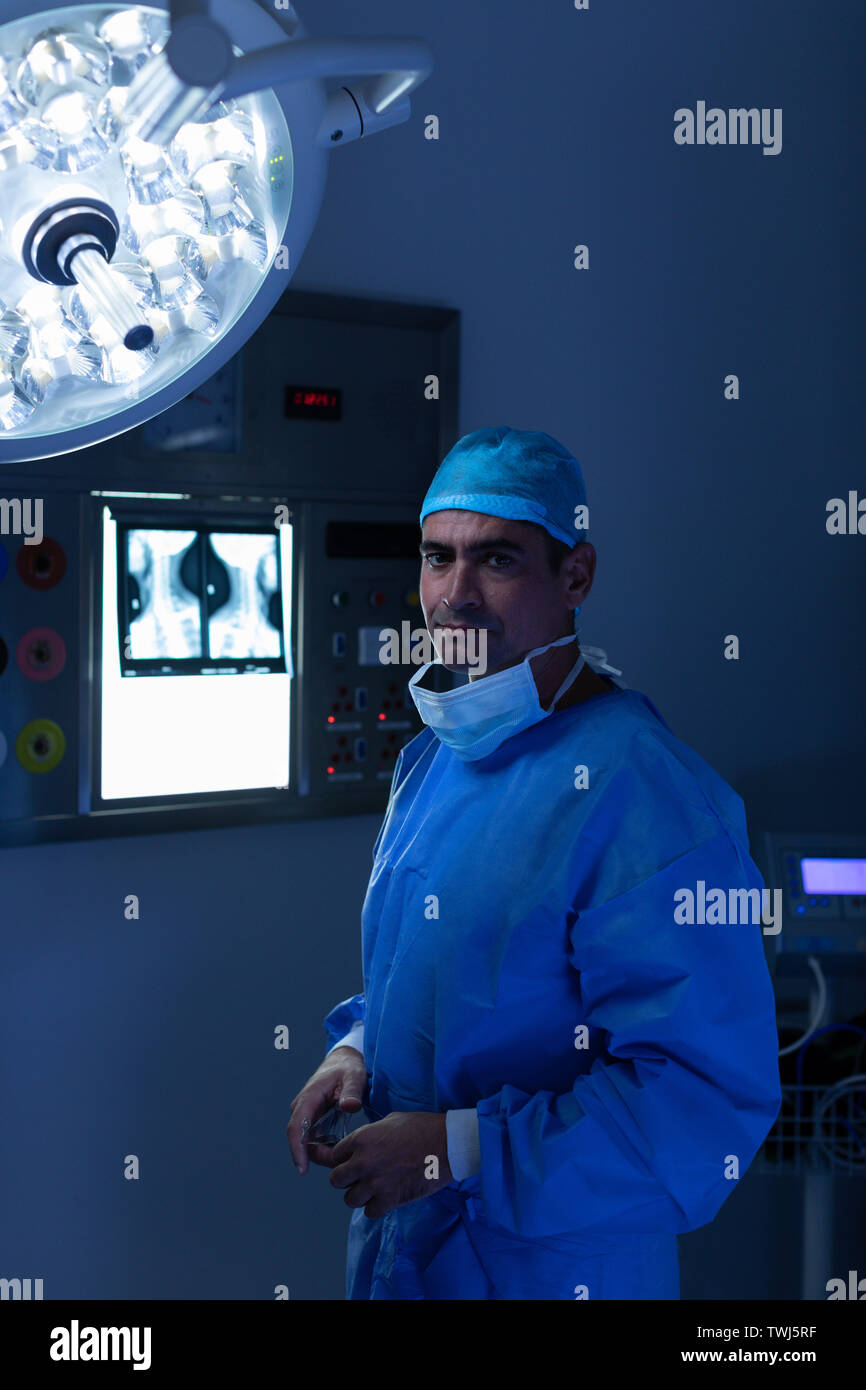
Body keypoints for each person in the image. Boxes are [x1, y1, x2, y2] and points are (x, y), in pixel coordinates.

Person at [287, 425, 782, 1300]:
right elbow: (441, 973)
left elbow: (703, 1112)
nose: (455, 596)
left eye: (498, 561)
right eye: (437, 559)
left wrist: (457, 1149)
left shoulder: (648, 798)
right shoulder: (441, 754)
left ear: (576, 576)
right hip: (412, 1258)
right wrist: (359, 1050)